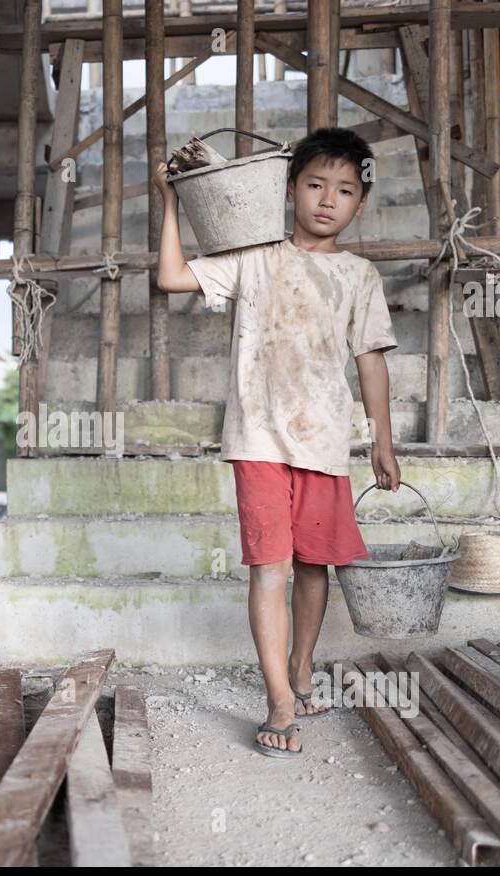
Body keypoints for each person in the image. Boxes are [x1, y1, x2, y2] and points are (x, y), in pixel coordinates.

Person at [152, 127, 401, 757]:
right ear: (289, 190)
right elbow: (172, 278)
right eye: (315, 184)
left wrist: (382, 440)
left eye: (344, 190)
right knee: (270, 568)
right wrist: (172, 199)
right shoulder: (256, 255)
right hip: (257, 438)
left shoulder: (358, 275)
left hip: (324, 443)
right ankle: (280, 702)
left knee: (315, 565)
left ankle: (301, 664)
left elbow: (371, 360)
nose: (327, 199)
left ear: (359, 205)